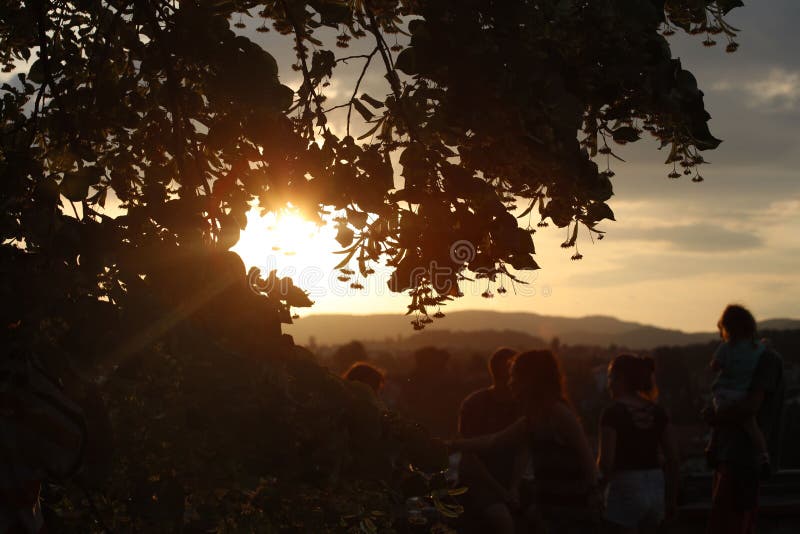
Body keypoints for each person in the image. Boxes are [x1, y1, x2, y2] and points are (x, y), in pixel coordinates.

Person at [448, 350, 600, 533]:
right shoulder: (532, 419)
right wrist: (450, 445)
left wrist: (594, 497)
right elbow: (493, 442)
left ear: (530, 380)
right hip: (551, 506)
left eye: (514, 377)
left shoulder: (558, 414)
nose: (511, 382)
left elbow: (588, 461)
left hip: (571, 508)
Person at [704, 306, 784, 534]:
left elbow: (750, 407)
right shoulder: (759, 353)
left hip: (742, 459)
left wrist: (716, 416)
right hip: (731, 456)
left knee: (731, 523)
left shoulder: (767, 360)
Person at [597, 354, 678, 533]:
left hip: (625, 487)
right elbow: (673, 458)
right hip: (657, 487)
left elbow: (606, 463)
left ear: (621, 379)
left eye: (610, 377)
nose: (608, 383)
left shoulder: (612, 413)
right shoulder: (658, 412)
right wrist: (671, 498)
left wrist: (597, 491)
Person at [457, 347, 527, 533]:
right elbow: (471, 458)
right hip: (479, 482)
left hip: (510, 481)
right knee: (503, 520)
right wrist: (503, 492)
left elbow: (522, 450)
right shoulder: (474, 404)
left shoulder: (522, 405)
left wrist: (514, 487)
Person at [706, 305, 770, 475]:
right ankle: (764, 456)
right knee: (751, 426)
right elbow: (764, 345)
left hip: (724, 392)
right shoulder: (757, 348)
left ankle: (711, 447)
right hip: (743, 393)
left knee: (717, 421)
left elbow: (715, 366)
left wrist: (716, 363)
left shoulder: (726, 348)